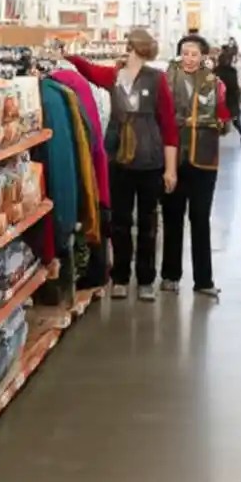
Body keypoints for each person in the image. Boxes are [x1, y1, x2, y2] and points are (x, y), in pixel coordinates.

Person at [64, 29, 179, 302]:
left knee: (148, 223)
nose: (125, 51)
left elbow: (169, 125)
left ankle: (146, 279)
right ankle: (121, 277)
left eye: (129, 46)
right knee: (120, 222)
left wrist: (170, 168)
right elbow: (89, 71)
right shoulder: (113, 76)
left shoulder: (157, 78)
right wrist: (68, 56)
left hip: (150, 159)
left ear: (136, 49)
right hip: (119, 158)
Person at [162, 35, 229, 298]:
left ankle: (203, 280)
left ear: (203, 56)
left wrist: (221, 122)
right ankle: (170, 275)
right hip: (172, 158)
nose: (189, 58)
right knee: (172, 218)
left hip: (205, 158)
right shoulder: (165, 81)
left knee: (200, 219)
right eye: (185, 53)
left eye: (194, 53)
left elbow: (224, 114)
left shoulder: (215, 83)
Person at [214, 47, 241, 145]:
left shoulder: (215, 71)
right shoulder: (232, 71)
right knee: (236, 118)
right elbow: (234, 86)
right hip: (230, 99)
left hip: (219, 100)